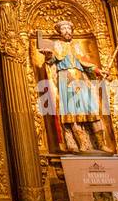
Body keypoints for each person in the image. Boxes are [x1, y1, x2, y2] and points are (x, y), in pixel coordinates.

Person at [39, 19, 106, 152]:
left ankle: (100, 143)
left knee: (91, 110)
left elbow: (85, 63)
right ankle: (81, 143)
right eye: (63, 29)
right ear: (60, 32)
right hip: (66, 79)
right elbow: (52, 61)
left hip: (80, 78)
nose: (67, 31)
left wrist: (99, 71)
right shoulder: (56, 45)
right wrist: (48, 56)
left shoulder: (77, 46)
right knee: (72, 112)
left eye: (68, 28)